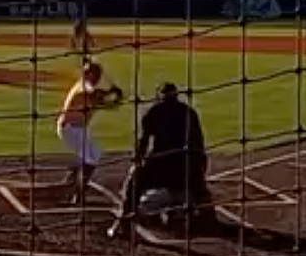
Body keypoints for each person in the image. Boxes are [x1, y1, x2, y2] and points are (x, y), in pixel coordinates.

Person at [108, 83, 212, 239]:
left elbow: (142, 144)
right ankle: (205, 216)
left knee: (134, 180)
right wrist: (199, 173)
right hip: (186, 170)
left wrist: (138, 160)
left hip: (161, 167)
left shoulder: (154, 112)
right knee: (201, 189)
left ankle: (123, 222)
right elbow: (199, 146)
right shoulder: (188, 112)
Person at [55, 61, 124, 205]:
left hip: (78, 128)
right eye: (95, 74)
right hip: (70, 129)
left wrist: (115, 96)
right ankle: (78, 196)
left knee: (93, 154)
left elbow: (105, 103)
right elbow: (95, 96)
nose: (98, 77)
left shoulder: (88, 87)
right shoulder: (83, 87)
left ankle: (72, 178)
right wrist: (114, 93)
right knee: (91, 159)